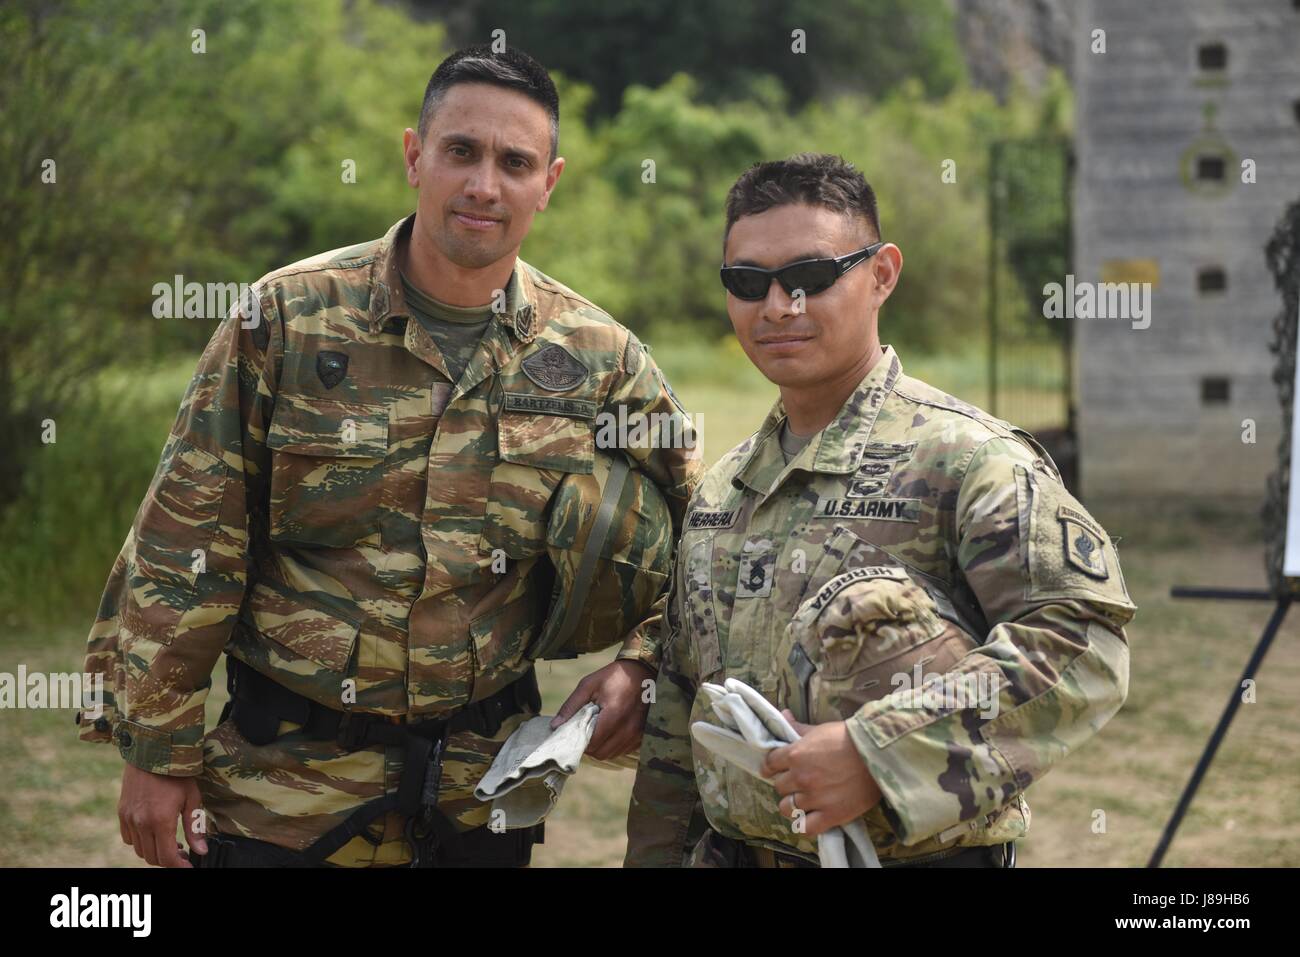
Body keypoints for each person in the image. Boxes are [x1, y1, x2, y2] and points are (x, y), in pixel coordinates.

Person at [77, 44, 699, 868]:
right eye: (461, 152)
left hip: (483, 795)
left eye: (515, 162)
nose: (484, 184)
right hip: (283, 791)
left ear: (549, 183)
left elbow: (710, 532)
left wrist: (637, 665)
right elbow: (185, 541)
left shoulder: (599, 357)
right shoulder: (288, 320)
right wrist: (155, 749)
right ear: (416, 156)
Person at [625, 153, 1136, 868]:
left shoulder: (967, 460)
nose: (778, 306)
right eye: (748, 282)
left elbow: (1082, 648)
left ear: (882, 274)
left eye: (810, 276)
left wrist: (878, 753)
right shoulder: (722, 492)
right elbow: (682, 720)